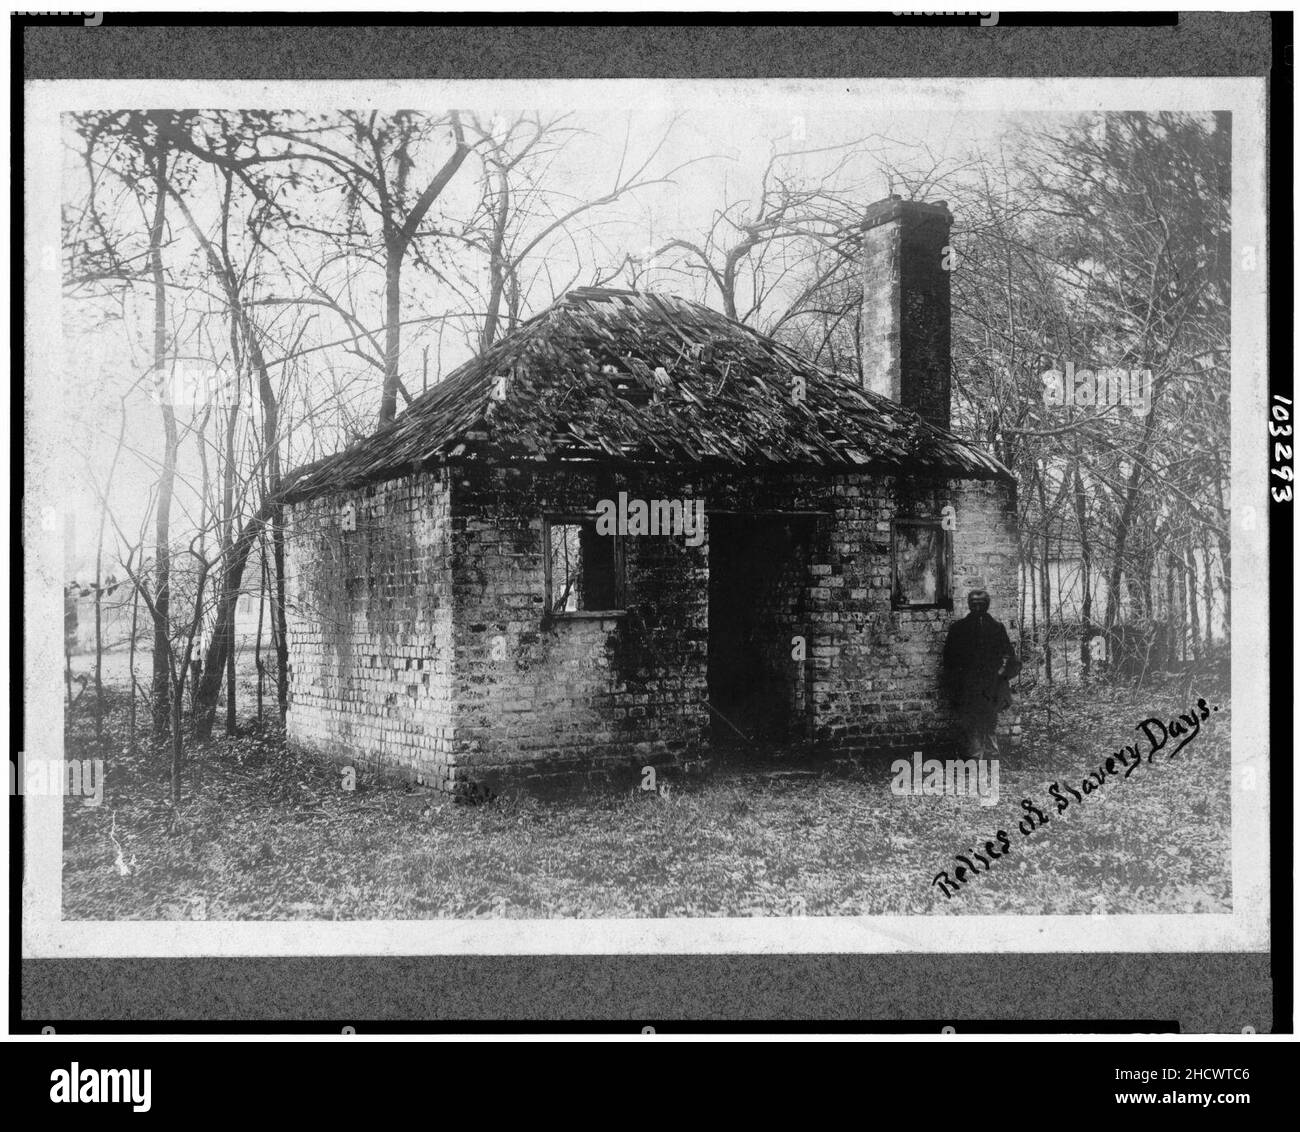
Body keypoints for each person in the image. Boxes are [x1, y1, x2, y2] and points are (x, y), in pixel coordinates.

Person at [942, 589, 1021, 757]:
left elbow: (1008, 653)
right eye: (974, 603)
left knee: (990, 717)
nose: (977, 606)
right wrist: (957, 679)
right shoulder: (958, 628)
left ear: (987, 604)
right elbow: (949, 657)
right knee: (970, 717)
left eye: (981, 603)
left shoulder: (997, 628)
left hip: (991, 681)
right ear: (969, 604)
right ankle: (975, 752)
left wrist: (1001, 673)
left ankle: (992, 751)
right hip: (968, 682)